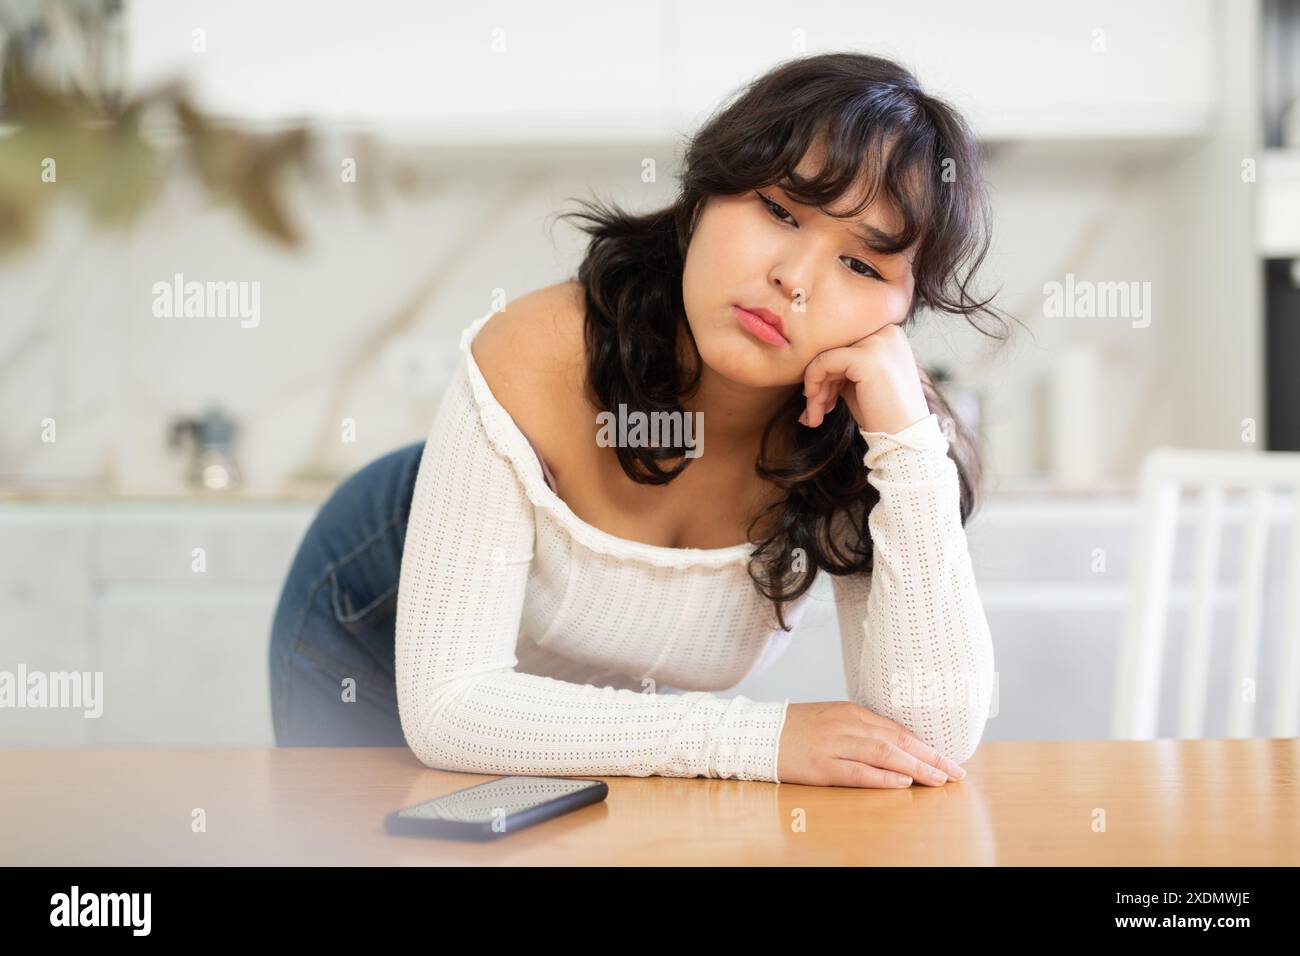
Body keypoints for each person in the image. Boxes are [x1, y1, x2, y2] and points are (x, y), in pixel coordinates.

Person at [269, 51, 1014, 788]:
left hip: (581, 719)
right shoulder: (540, 352)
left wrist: (909, 449)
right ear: (703, 197)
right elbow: (451, 708)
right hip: (375, 610)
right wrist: (761, 738)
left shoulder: (868, 436)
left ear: (899, 316)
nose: (795, 280)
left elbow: (932, 736)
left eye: (863, 266)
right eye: (780, 211)